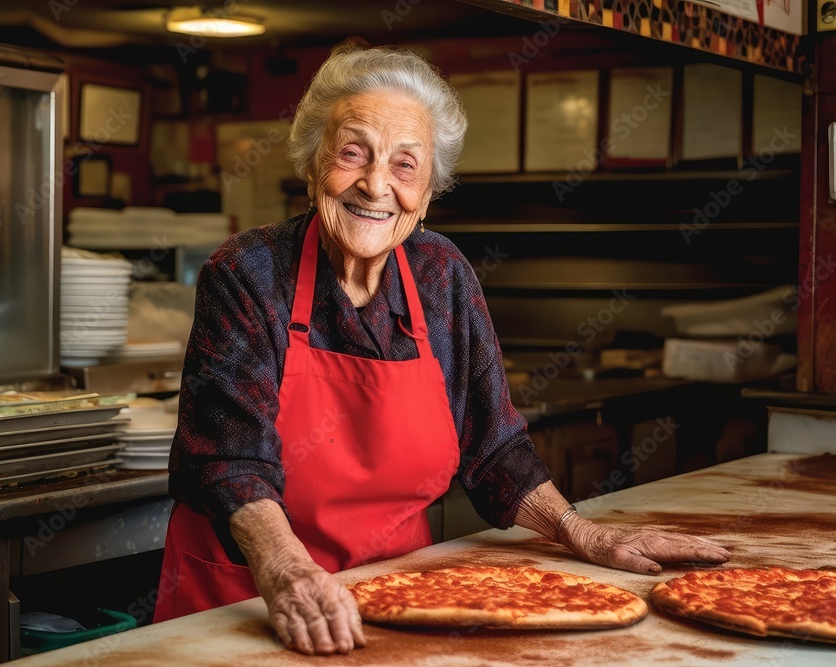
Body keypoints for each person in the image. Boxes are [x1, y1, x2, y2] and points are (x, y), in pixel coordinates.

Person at [154, 41, 730, 655]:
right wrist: (288, 571)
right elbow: (230, 460)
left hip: (394, 597)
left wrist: (584, 534)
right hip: (249, 598)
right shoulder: (248, 271)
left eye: (405, 165)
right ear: (314, 164)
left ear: (428, 192)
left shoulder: (440, 274)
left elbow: (494, 447)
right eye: (352, 153)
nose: (376, 184)